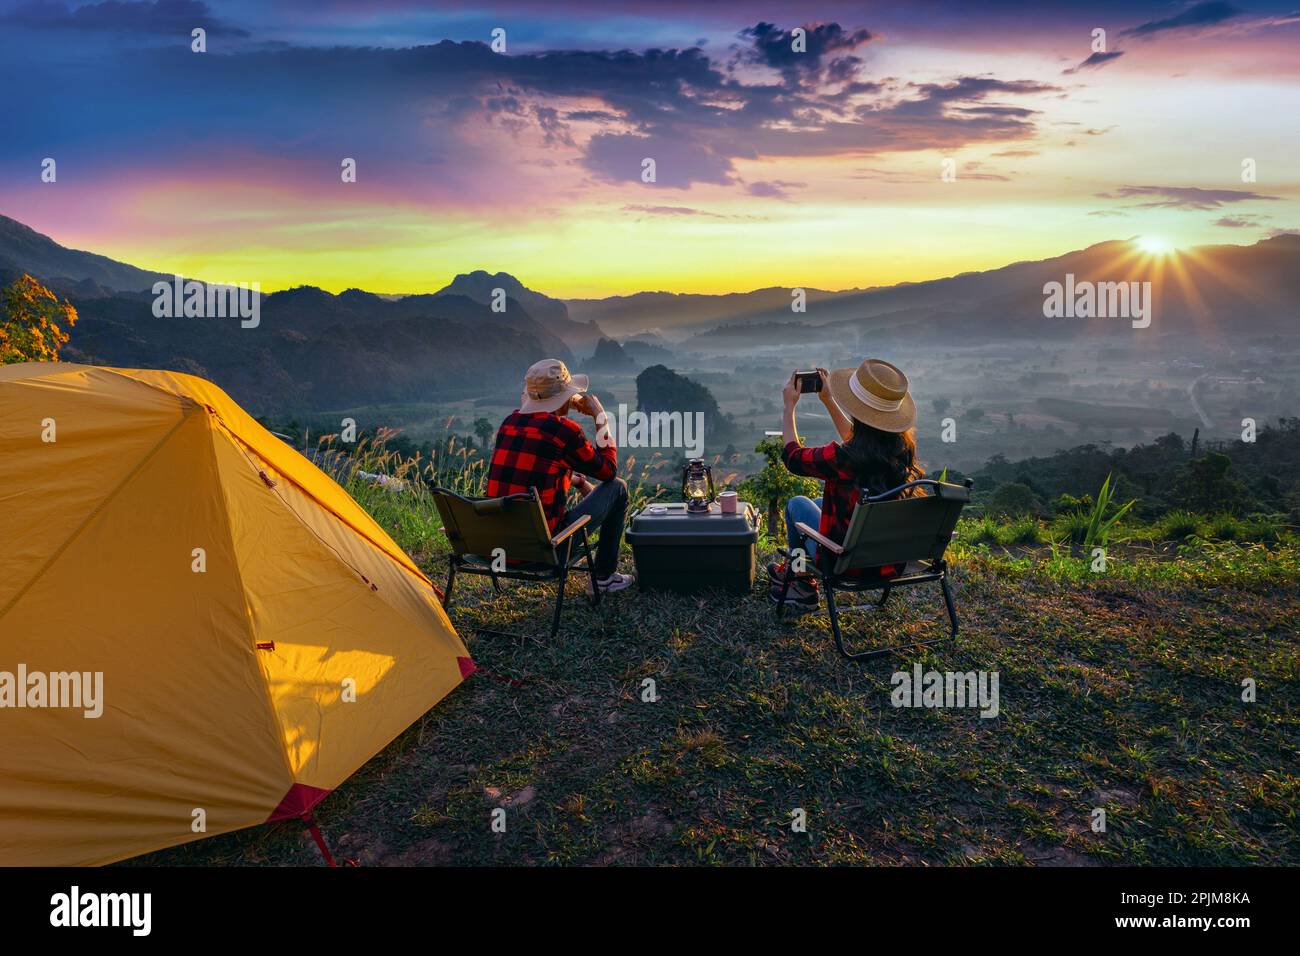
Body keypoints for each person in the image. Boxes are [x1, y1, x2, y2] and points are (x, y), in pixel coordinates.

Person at [771, 359, 924, 612]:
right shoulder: (900, 449)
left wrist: (789, 408)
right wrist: (828, 400)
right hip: (888, 560)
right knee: (820, 504)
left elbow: (792, 457)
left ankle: (800, 582)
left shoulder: (841, 459)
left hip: (845, 562)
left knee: (797, 505)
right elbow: (860, 443)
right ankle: (795, 575)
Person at [487, 359, 634, 593]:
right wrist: (600, 418)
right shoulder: (564, 431)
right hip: (546, 551)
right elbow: (608, 471)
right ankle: (604, 577)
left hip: (501, 548)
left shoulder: (509, 424)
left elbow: (531, 469)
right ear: (567, 395)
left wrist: (573, 479)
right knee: (618, 487)